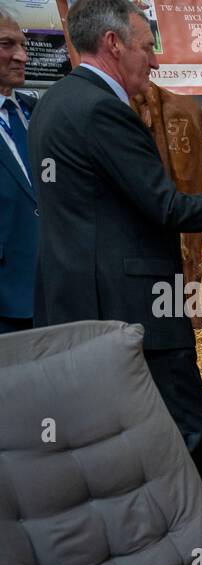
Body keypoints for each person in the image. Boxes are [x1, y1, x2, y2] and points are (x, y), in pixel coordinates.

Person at [28, 0, 202, 493]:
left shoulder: (54, 103)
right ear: (113, 44)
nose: (154, 62)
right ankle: (190, 544)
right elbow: (167, 209)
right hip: (133, 302)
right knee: (189, 424)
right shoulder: (102, 111)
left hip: (79, 298)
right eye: (146, 48)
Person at [0, 12, 36, 334]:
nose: (22, 56)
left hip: (53, 295)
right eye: (6, 44)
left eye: (22, 45)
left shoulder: (36, 113)